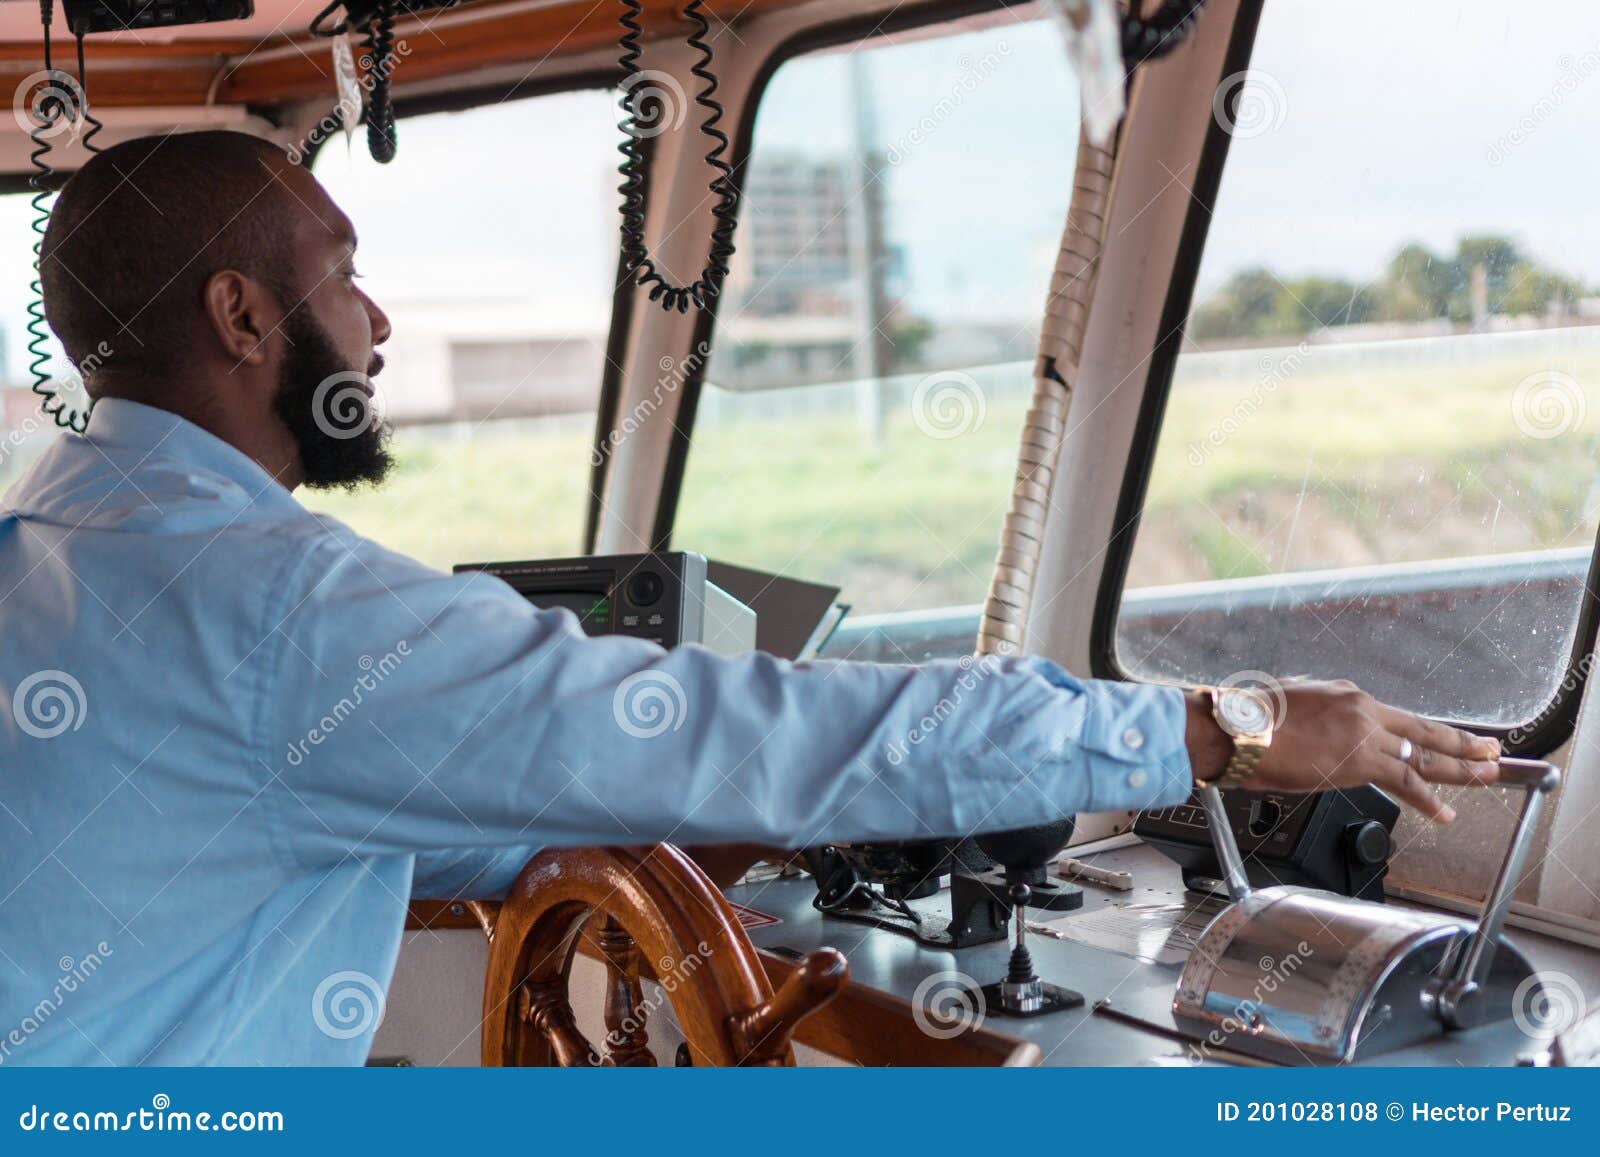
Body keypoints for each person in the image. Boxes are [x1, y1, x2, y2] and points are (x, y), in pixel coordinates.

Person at [0, 131, 1499, 1066]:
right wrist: (1218, 726)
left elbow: (369, 819)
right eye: (343, 274)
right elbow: (774, 727)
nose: (375, 318)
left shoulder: (47, 547)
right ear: (243, 314)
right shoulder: (280, 610)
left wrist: (682, 816)